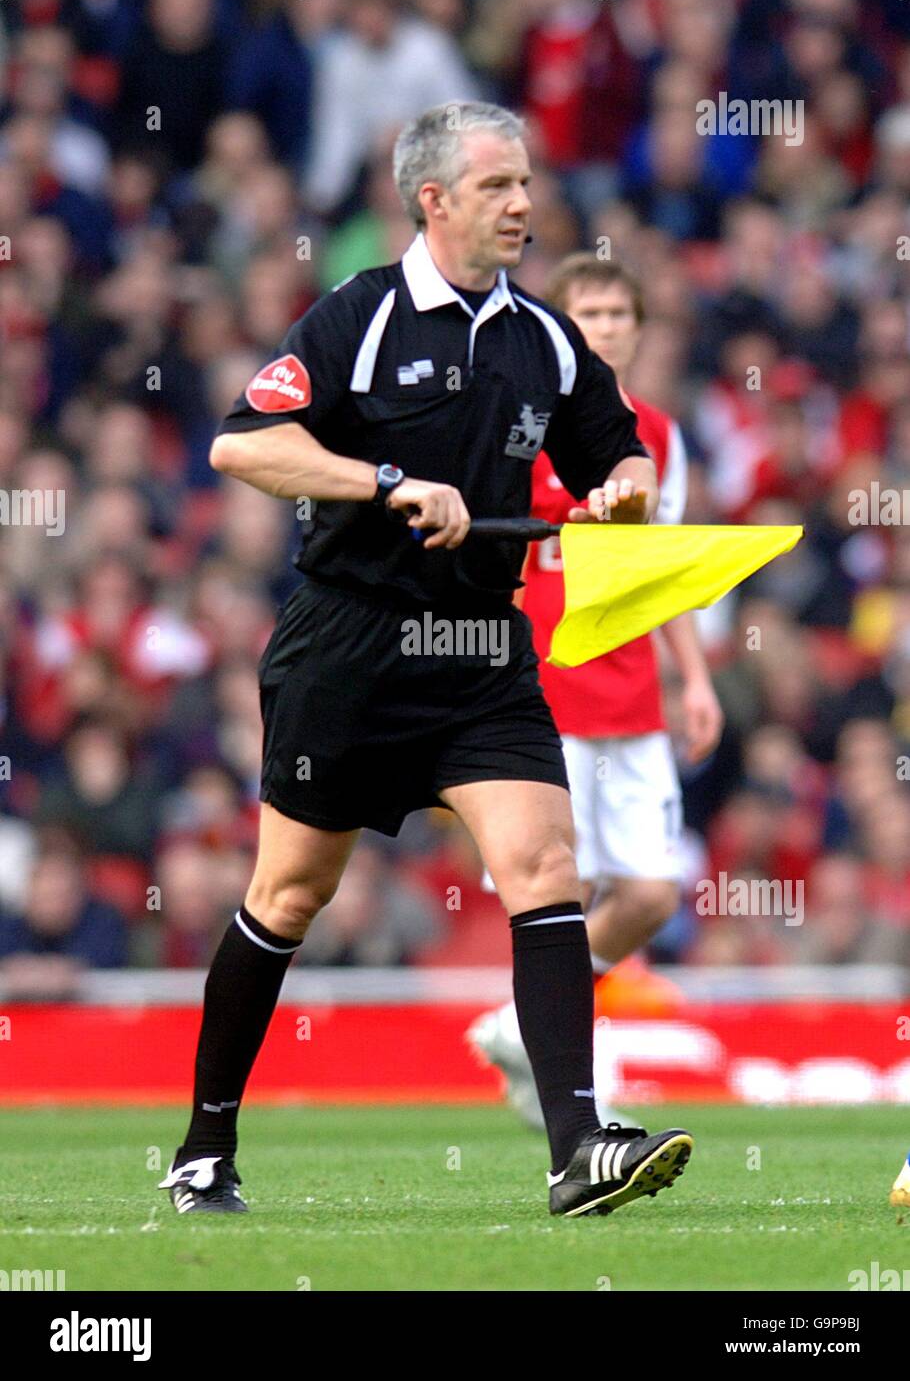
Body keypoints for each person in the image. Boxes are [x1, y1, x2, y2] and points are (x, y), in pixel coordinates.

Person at [158, 101, 693, 1218]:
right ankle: (204, 1148)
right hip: (348, 648)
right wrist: (389, 482)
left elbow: (618, 446)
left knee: (547, 871)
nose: (522, 204)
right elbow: (241, 442)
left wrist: (628, 483)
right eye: (499, 186)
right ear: (433, 199)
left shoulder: (542, 336)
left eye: (527, 184)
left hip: (481, 650)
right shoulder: (355, 316)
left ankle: (576, 1147)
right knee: (289, 893)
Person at [469, 254, 723, 1126]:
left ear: (640, 328)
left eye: (620, 311)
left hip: (633, 697)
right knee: (558, 891)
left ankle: (515, 1023)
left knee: (650, 893)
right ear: (562, 328)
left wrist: (693, 679)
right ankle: (568, 1090)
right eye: (591, 312)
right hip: (543, 692)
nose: (607, 326)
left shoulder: (656, 436)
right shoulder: (521, 429)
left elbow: (665, 572)